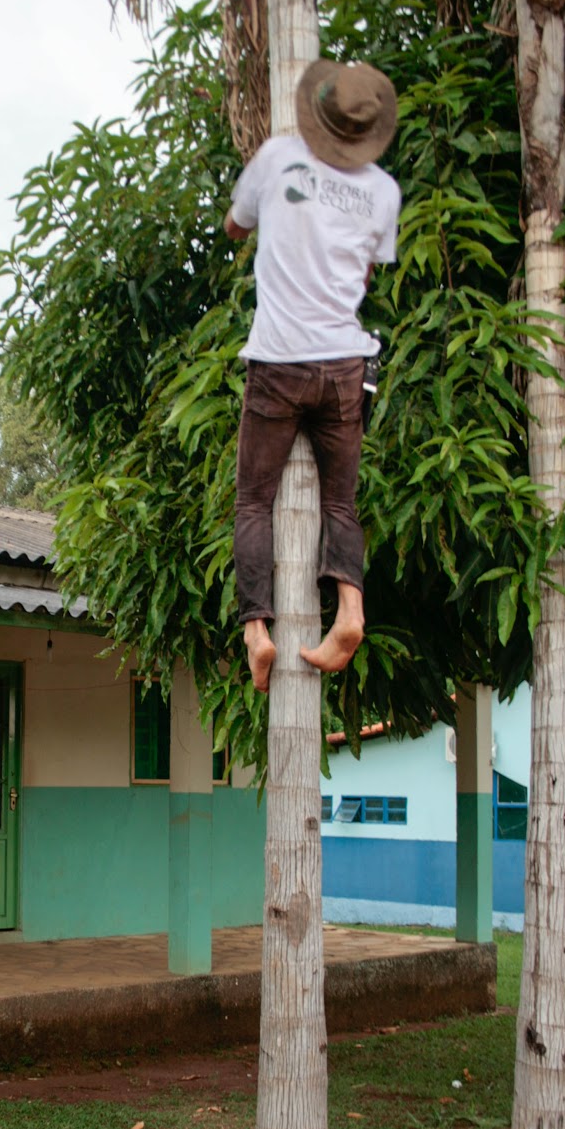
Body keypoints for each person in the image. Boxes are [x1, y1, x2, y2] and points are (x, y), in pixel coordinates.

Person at [224, 59, 401, 693]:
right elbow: (367, 271)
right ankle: (350, 610)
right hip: (344, 366)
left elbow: (234, 226)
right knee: (340, 503)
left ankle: (257, 631)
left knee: (253, 501)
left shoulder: (278, 157)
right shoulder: (383, 190)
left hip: (278, 362)